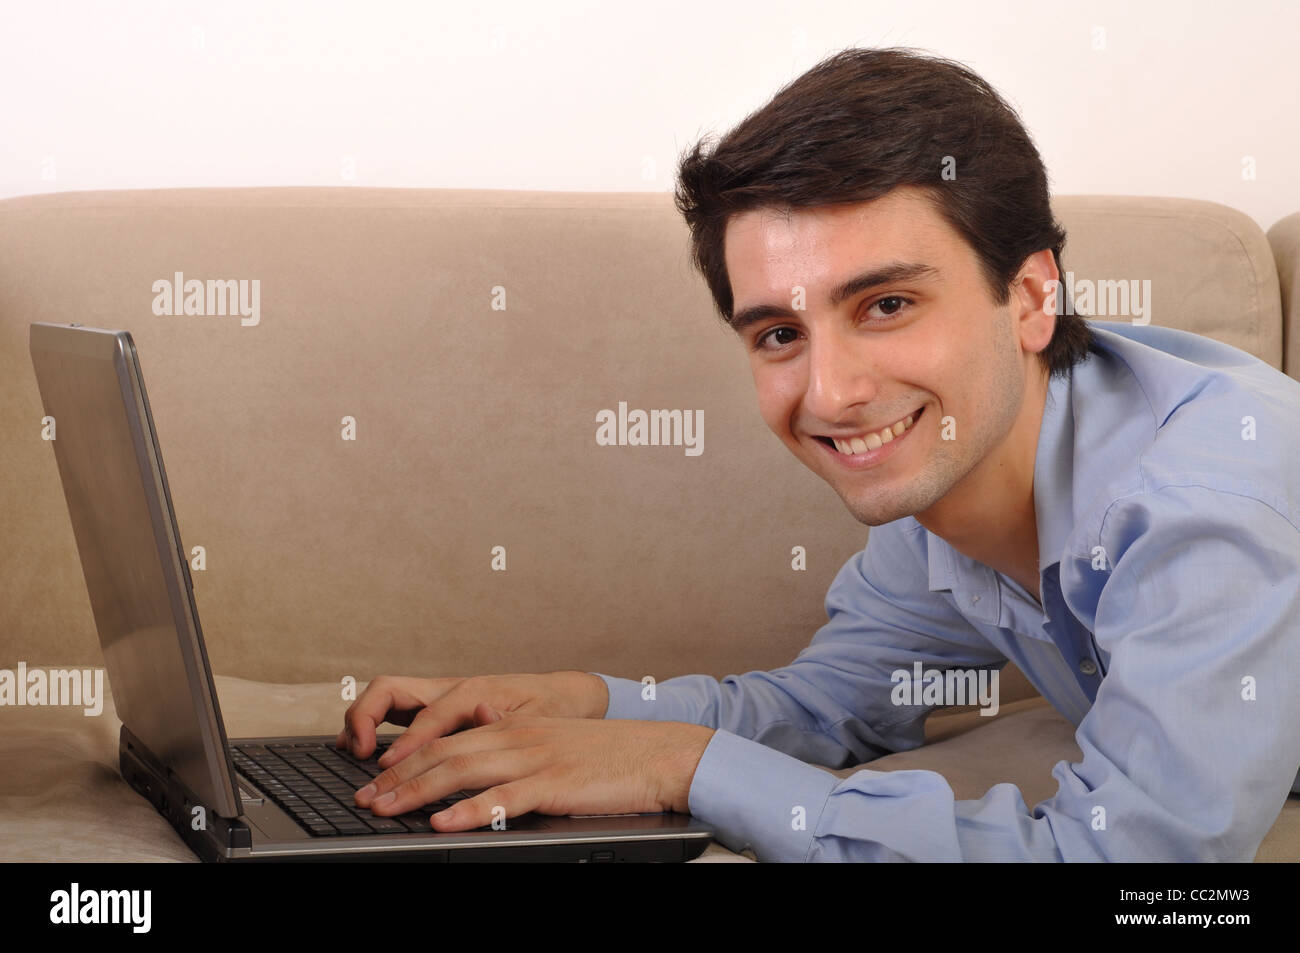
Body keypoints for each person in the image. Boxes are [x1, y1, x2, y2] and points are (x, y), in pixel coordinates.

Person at [337, 47, 1300, 861]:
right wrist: (585, 708)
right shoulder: (947, 488)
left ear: (1032, 299)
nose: (831, 395)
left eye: (886, 305)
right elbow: (826, 704)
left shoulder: (1203, 503)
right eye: (777, 335)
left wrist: (683, 767)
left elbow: (1142, 878)